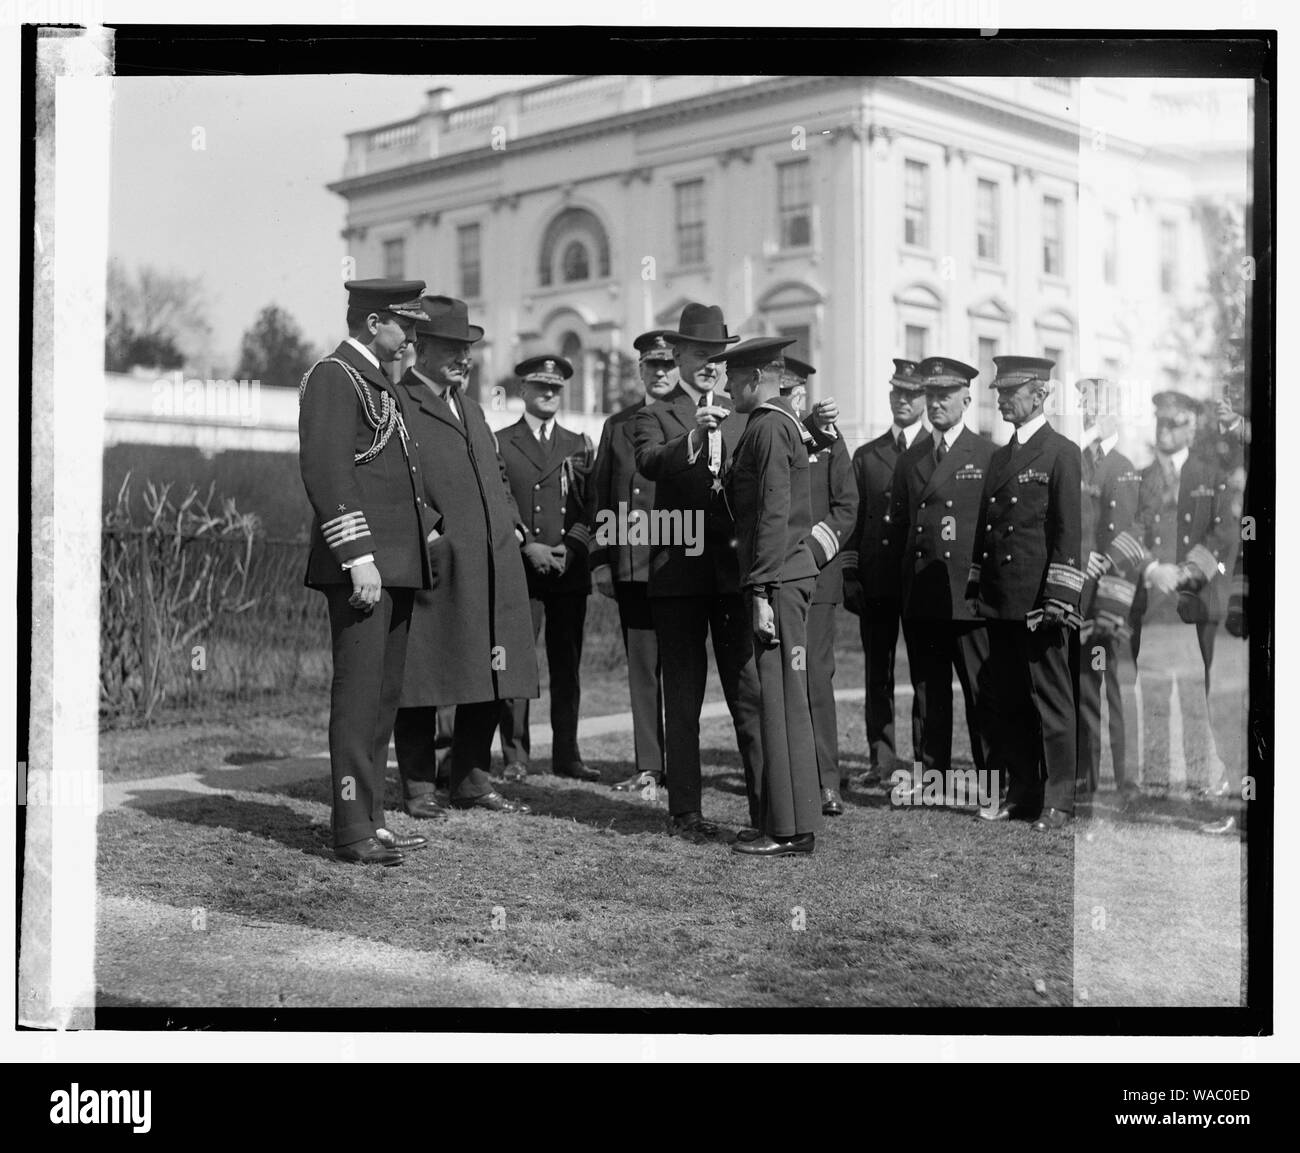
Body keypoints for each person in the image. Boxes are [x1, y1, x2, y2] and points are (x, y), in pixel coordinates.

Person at [632, 302, 839, 840]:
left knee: (751, 694)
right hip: (678, 576)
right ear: (676, 357)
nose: (709, 365)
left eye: (717, 357)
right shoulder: (654, 415)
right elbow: (650, 463)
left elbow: (778, 473)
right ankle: (685, 811)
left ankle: (767, 812)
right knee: (682, 698)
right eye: (699, 355)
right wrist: (694, 439)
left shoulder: (751, 410)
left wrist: (815, 431)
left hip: (736, 576)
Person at [298, 277, 432, 866]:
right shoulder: (334, 376)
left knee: (382, 699)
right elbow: (329, 475)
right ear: (375, 322)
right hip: (365, 565)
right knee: (358, 699)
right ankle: (352, 827)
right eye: (406, 323)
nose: (412, 336)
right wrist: (358, 559)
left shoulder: (377, 379)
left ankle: (372, 819)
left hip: (394, 564)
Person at [391, 294, 538, 817]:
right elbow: (390, 482)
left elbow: (495, 476)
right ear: (421, 348)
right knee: (422, 679)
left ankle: (473, 779)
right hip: (440, 566)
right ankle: (418, 787)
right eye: (452, 347)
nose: (464, 358)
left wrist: (514, 528)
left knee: (490, 675)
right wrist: (431, 534)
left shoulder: (471, 408)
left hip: (494, 564)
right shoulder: (399, 402)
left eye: (468, 348)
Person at [966, 356, 1083, 832]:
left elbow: (1068, 530)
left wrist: (1059, 595)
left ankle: (1060, 800)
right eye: (1000, 391)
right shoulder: (999, 456)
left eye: (1011, 392)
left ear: (1040, 394)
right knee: (1011, 700)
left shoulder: (1061, 451)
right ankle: (1024, 790)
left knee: (1052, 701)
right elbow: (984, 531)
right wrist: (978, 586)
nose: (1001, 399)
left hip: (1040, 602)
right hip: (1001, 599)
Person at [722, 338, 823, 856]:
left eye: (733, 378)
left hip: (777, 578)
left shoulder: (766, 427)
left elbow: (772, 517)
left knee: (779, 702)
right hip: (784, 575)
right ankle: (785, 822)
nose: (724, 387)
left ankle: (785, 830)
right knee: (782, 699)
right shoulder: (781, 424)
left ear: (759, 377)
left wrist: (760, 589)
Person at [1109, 389, 1235, 794]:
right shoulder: (1140, 477)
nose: (1164, 430)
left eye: (1173, 423)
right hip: (1152, 603)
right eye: (1160, 422)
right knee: (1155, 693)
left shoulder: (1210, 476)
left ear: (1191, 427)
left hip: (1197, 600)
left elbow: (1225, 534)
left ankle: (1201, 777)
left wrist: (1187, 572)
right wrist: (1150, 568)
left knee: (1201, 692)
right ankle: (1156, 777)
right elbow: (1128, 532)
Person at [888, 357, 995, 793]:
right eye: (930, 395)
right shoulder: (910, 457)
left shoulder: (987, 454)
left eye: (945, 396)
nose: (935, 404)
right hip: (924, 593)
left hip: (967, 595)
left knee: (980, 692)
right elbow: (897, 527)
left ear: (967, 399)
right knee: (928, 691)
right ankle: (932, 775)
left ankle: (993, 779)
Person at [496, 355, 600, 782]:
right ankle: (516, 758)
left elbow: (592, 506)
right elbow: (500, 500)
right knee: (518, 666)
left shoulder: (580, 444)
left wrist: (571, 549)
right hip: (522, 570)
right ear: (522, 390)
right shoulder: (501, 441)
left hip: (568, 570)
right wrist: (529, 545)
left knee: (566, 666)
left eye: (556, 388)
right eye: (540, 386)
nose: (549, 394)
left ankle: (567, 755)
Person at [589, 330, 676, 793]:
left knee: (682, 670)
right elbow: (602, 494)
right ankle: (650, 766)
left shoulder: (693, 417)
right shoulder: (618, 425)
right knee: (642, 668)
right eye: (651, 366)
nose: (660, 373)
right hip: (632, 568)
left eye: (668, 365)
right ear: (640, 370)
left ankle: (682, 763)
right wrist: (601, 561)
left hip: (682, 565)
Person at [843, 359, 931, 784]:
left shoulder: (935, 452)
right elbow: (854, 523)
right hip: (877, 582)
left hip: (918, 583)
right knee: (878, 672)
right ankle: (881, 759)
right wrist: (850, 573)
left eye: (911, 394)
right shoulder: (868, 455)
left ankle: (925, 762)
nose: (902, 400)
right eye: (897, 392)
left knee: (924, 674)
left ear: (925, 399)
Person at [779, 356, 858, 816]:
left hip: (817, 577)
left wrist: (812, 551)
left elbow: (847, 506)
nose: (790, 402)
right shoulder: (762, 437)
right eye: (782, 393)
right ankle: (789, 774)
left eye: (795, 393)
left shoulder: (827, 442)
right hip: (773, 579)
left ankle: (827, 779)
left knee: (815, 679)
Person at [1072, 376, 1141, 801]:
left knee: (1114, 685)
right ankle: (1086, 776)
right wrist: (1083, 562)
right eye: (1085, 405)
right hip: (1080, 588)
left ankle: (1126, 780)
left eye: (1097, 405)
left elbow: (1134, 531)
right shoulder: (1074, 460)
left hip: (1113, 593)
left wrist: (1107, 565)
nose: (1089, 413)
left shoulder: (1125, 467)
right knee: (1084, 686)